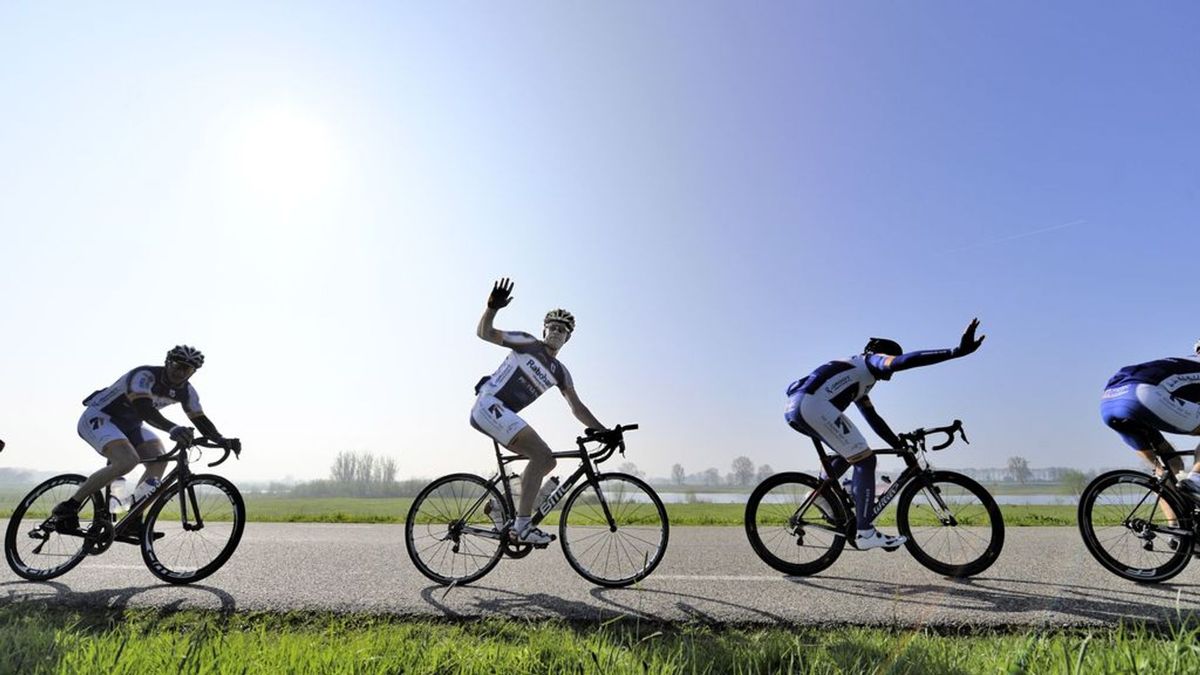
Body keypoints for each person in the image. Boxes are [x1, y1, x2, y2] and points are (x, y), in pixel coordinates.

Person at [784, 320, 985, 550]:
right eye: (890, 361)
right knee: (865, 459)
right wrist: (954, 352)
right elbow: (904, 361)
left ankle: (819, 493)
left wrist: (897, 444)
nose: (891, 372)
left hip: (799, 406)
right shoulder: (870, 361)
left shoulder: (858, 378)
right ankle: (865, 532)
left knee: (851, 452)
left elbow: (873, 418)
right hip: (813, 406)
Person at [51, 345, 238, 543]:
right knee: (127, 461)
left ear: (193, 372)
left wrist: (221, 439)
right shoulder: (143, 376)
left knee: (160, 460)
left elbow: (199, 419)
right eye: (177, 365)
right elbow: (144, 410)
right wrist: (173, 428)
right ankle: (69, 506)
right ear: (167, 362)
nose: (180, 371)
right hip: (101, 417)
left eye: (187, 369)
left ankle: (133, 519)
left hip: (131, 425)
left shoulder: (187, 391)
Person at [471, 278, 606, 545]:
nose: (555, 332)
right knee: (542, 455)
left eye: (561, 330)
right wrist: (492, 308)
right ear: (544, 330)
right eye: (552, 327)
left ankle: (502, 509)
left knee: (547, 462)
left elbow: (577, 408)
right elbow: (485, 333)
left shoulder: (560, 372)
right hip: (489, 405)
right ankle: (523, 527)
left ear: (567, 337)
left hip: (502, 413)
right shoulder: (527, 343)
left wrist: (605, 431)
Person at [1100, 342, 1200, 497]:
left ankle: (1175, 512)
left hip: (1109, 400)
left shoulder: (1182, 363)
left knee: (1169, 467)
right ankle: (1196, 478)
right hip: (1142, 393)